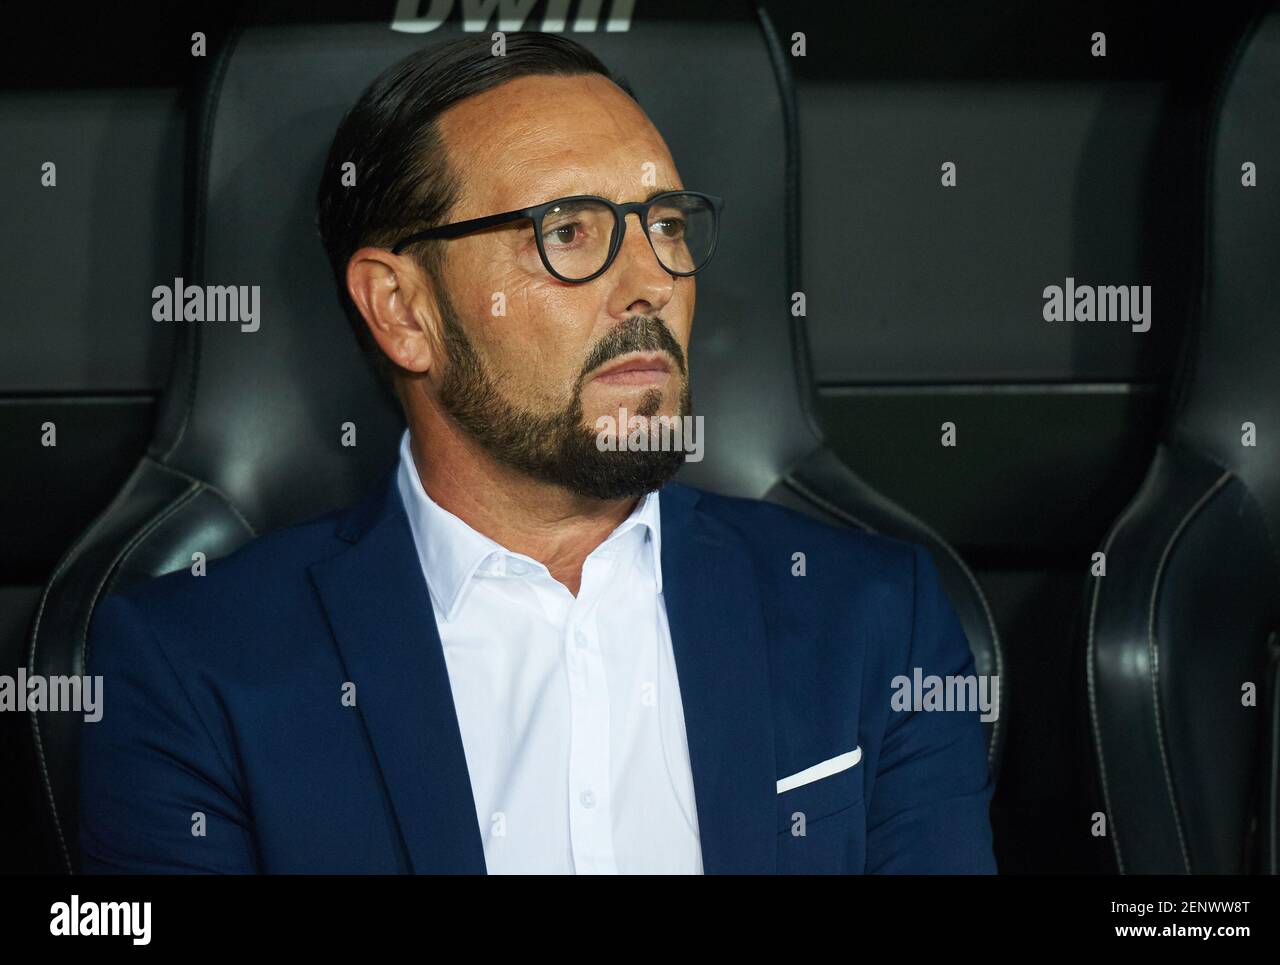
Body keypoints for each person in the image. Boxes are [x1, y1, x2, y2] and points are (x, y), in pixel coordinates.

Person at [79, 33, 996, 874]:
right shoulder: (190, 669)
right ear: (403, 311)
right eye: (569, 232)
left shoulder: (878, 620)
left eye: (666, 225)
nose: (650, 284)